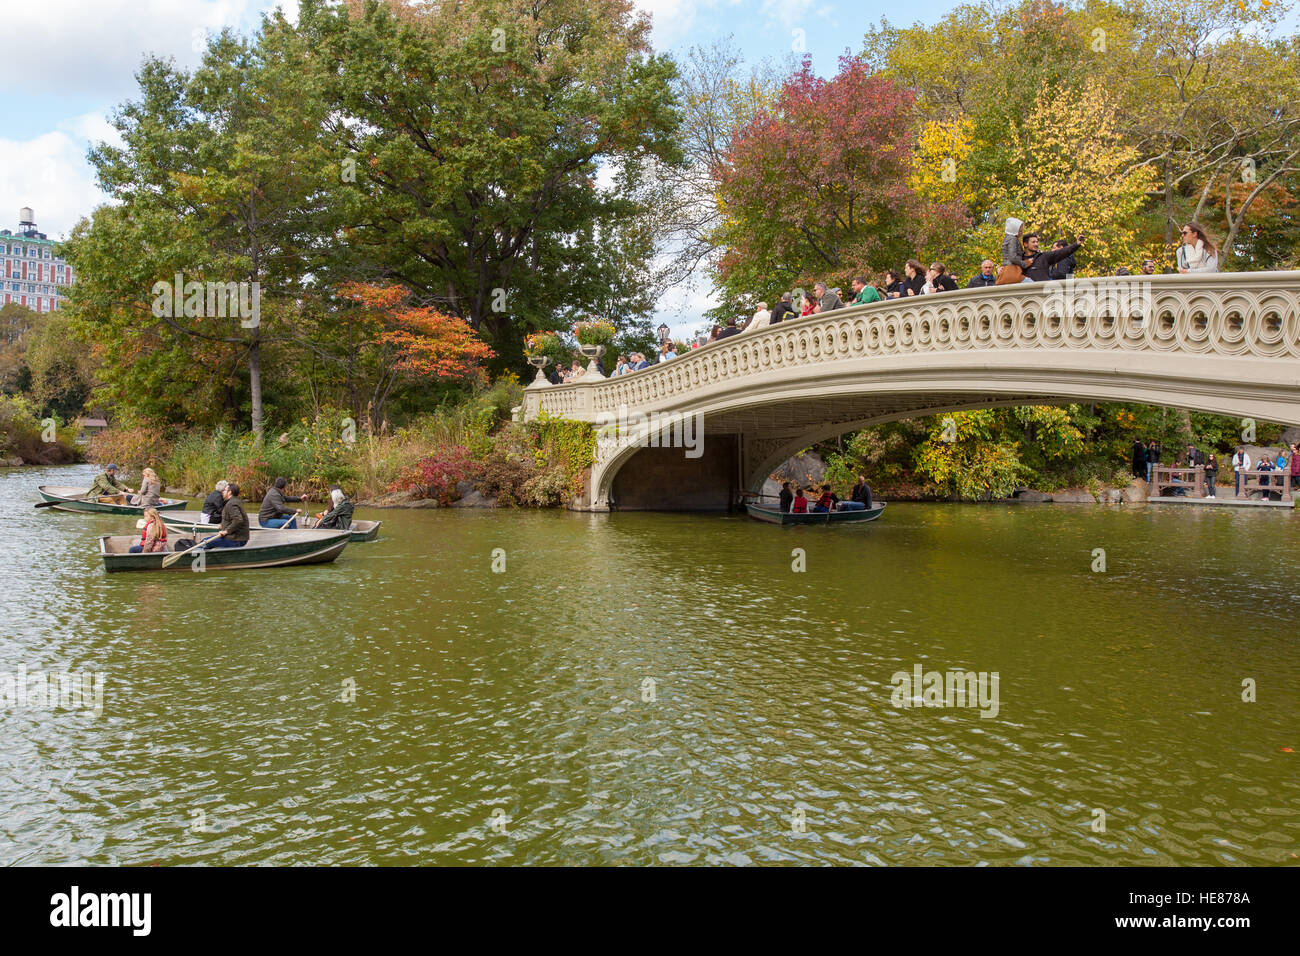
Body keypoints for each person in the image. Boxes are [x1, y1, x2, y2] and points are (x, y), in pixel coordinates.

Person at [206, 482, 250, 549]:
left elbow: (238, 520)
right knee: (207, 541)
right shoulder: (235, 501)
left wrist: (226, 531)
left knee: (205, 542)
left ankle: (195, 557)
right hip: (237, 537)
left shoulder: (231, 504)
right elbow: (231, 519)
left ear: (230, 492)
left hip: (236, 539)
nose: (222, 492)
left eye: (224, 490)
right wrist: (222, 525)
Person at [998, 217, 1027, 284]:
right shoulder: (1012, 239)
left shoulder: (1008, 238)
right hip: (1012, 270)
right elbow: (1012, 257)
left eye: (1022, 231)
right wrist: (1024, 264)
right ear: (1014, 230)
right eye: (1019, 231)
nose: (1021, 233)